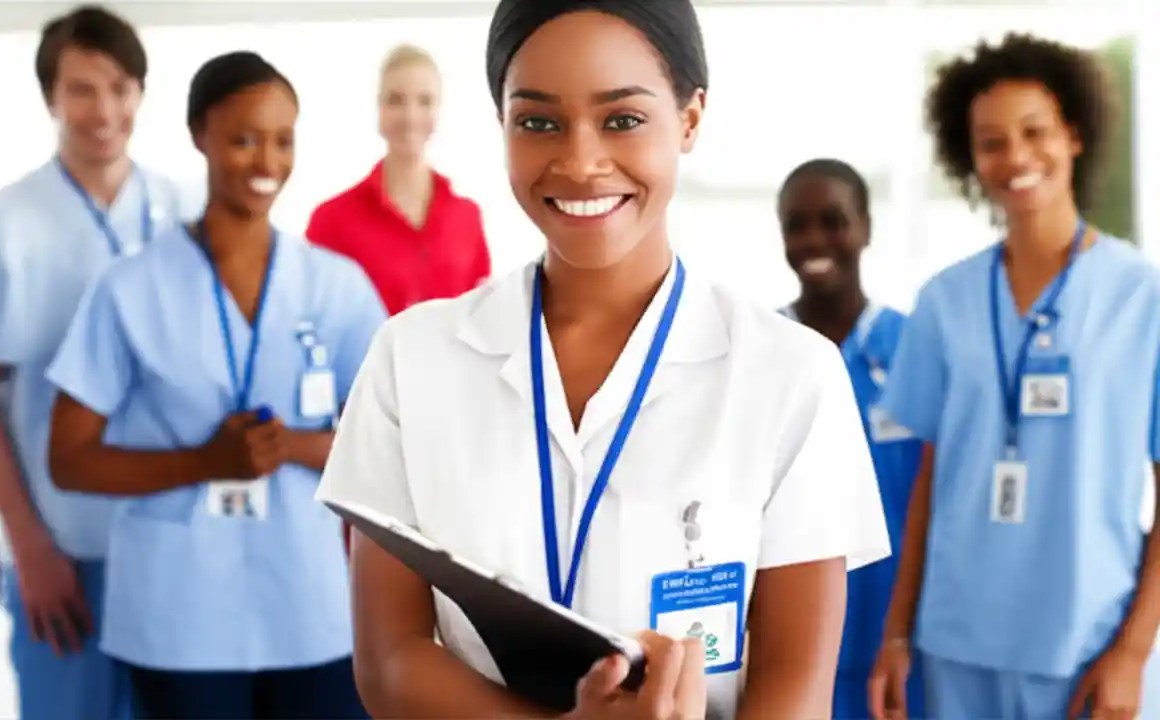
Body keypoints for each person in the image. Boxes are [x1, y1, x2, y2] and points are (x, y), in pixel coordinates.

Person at [315, 2, 891, 718]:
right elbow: (390, 658)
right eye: (538, 121)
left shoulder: (793, 374)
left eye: (621, 119)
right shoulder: (410, 359)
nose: (580, 161)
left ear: (689, 119)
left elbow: (796, 686)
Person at [45, 50, 385, 720]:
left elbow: (390, 445)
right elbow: (69, 458)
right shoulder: (131, 288)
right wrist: (204, 462)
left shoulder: (335, 285)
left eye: (283, 140)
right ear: (200, 135)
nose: (267, 162)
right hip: (178, 619)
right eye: (244, 138)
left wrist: (289, 446)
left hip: (308, 610)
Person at [868, 33, 1160, 719]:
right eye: (992, 141)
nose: (1017, 157)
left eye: (1035, 131)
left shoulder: (1142, 298)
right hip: (954, 644)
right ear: (969, 157)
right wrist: (898, 634)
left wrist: (1132, 652)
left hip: (1086, 643)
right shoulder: (944, 300)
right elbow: (930, 477)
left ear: (1075, 135)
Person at [0, 6, 183, 719]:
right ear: (51, 98)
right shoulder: (5, 225)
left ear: (142, 92)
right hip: (65, 555)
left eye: (120, 87)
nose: (104, 109)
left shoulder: (189, 210)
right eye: (82, 89)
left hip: (179, 554)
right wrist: (27, 547)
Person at [776, 158, 925, 719]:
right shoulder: (763, 354)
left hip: (901, 644)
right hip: (793, 646)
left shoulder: (914, 348)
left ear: (865, 228)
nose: (814, 239)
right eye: (797, 224)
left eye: (833, 220)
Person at [306, 43, 491, 316]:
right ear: (378, 108)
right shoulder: (331, 221)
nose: (410, 116)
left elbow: (482, 317)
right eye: (395, 100)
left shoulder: (467, 216)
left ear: (438, 110)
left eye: (424, 101)